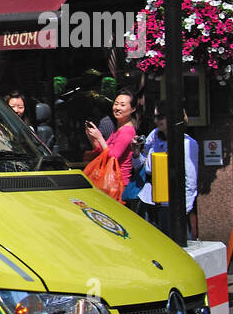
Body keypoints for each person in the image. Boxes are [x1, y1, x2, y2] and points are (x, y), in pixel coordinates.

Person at [138, 105, 200, 238]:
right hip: (148, 200)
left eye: (160, 117)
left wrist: (183, 210)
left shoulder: (188, 143)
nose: (156, 121)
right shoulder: (154, 135)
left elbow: (190, 181)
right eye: (155, 116)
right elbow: (141, 163)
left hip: (172, 206)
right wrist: (136, 153)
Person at [84, 88, 140, 207]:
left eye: (123, 105)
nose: (117, 108)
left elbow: (113, 155)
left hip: (118, 183)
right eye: (116, 104)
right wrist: (92, 136)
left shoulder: (127, 131)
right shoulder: (118, 128)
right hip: (111, 181)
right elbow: (103, 151)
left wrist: (99, 137)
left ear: (133, 109)